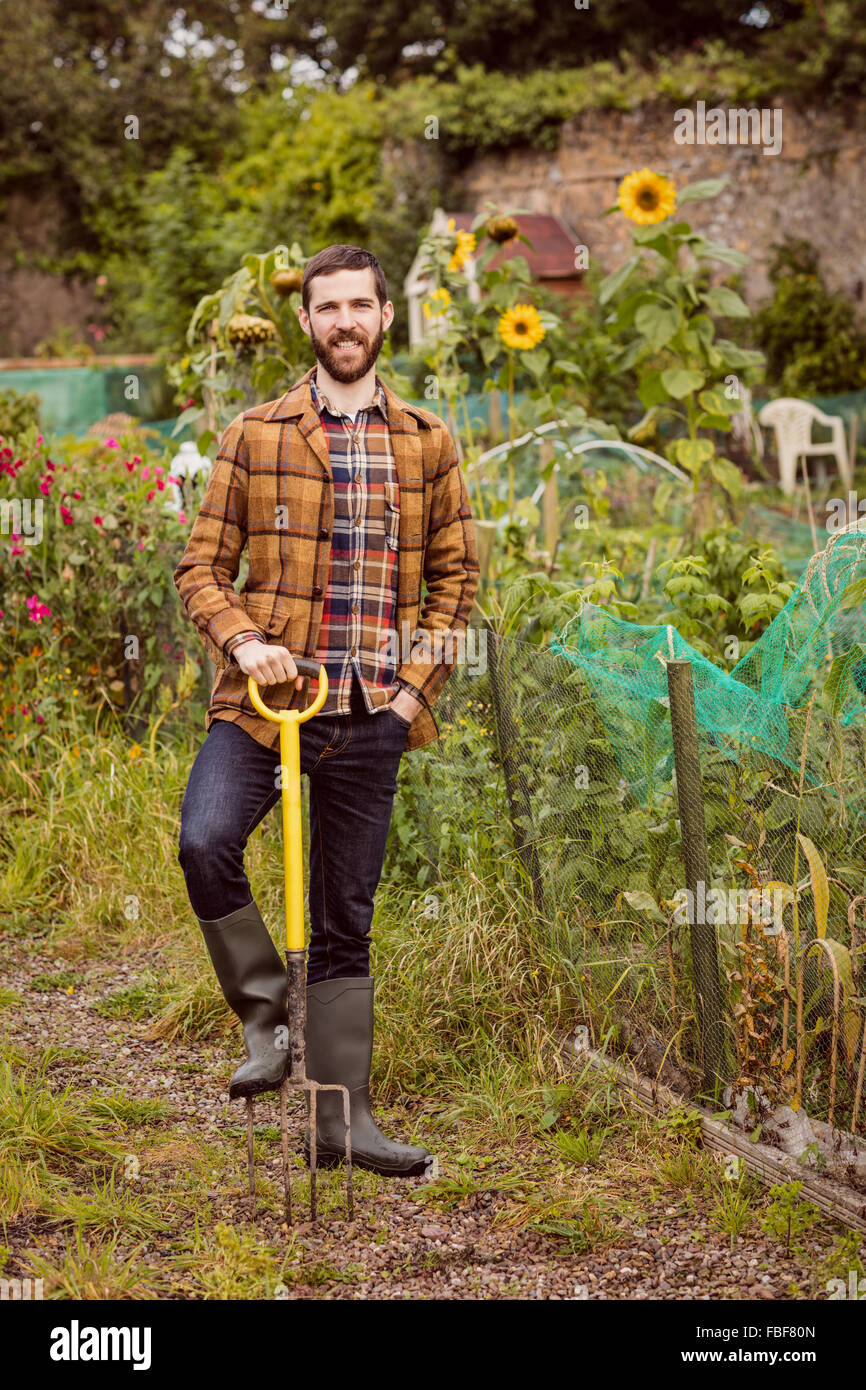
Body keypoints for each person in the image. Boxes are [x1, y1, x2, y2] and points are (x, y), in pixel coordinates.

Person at [173, 244, 480, 1176]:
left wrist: (407, 697)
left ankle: (341, 1120)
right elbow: (199, 568)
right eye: (327, 308)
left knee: (346, 914)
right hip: (267, 705)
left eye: (360, 305)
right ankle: (267, 1017)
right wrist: (240, 641)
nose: (344, 321)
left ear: (387, 317)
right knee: (205, 840)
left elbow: (457, 582)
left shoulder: (428, 439)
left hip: (367, 714)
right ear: (305, 323)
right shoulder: (256, 433)